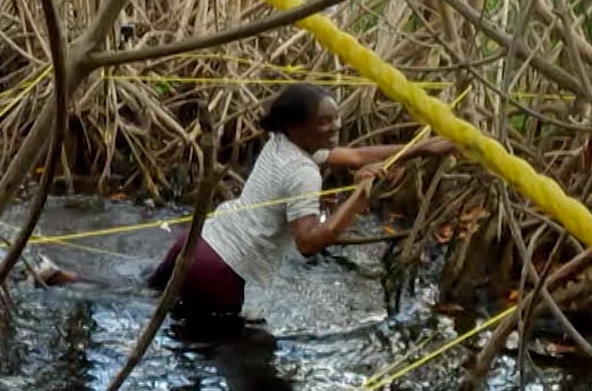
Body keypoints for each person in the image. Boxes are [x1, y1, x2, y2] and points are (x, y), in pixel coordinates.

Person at [144, 82, 455, 332]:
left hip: (192, 244)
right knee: (222, 352)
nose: (335, 126)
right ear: (297, 127)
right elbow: (308, 244)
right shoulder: (304, 173)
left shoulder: (282, 142)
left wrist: (423, 148)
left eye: (335, 117)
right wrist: (358, 197)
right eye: (324, 121)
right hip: (219, 272)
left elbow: (356, 156)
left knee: (154, 313)